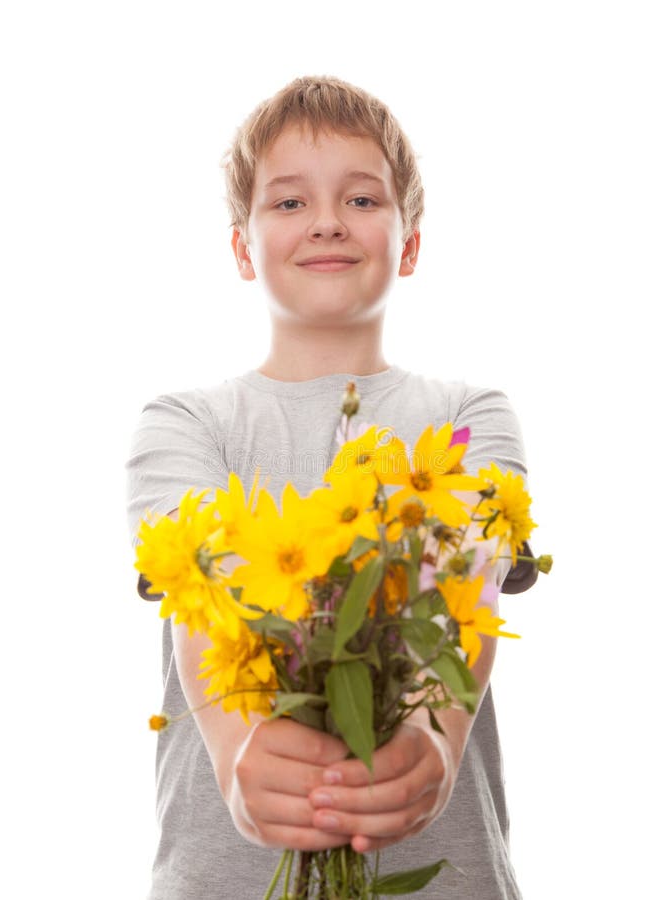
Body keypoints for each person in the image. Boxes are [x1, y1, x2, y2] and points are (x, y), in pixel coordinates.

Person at [126, 75, 531, 899]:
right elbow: (199, 593)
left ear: (409, 243)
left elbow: (466, 576)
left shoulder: (466, 415)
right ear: (241, 248)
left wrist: (435, 738)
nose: (326, 222)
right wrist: (239, 746)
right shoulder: (183, 423)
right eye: (286, 204)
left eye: (361, 199)